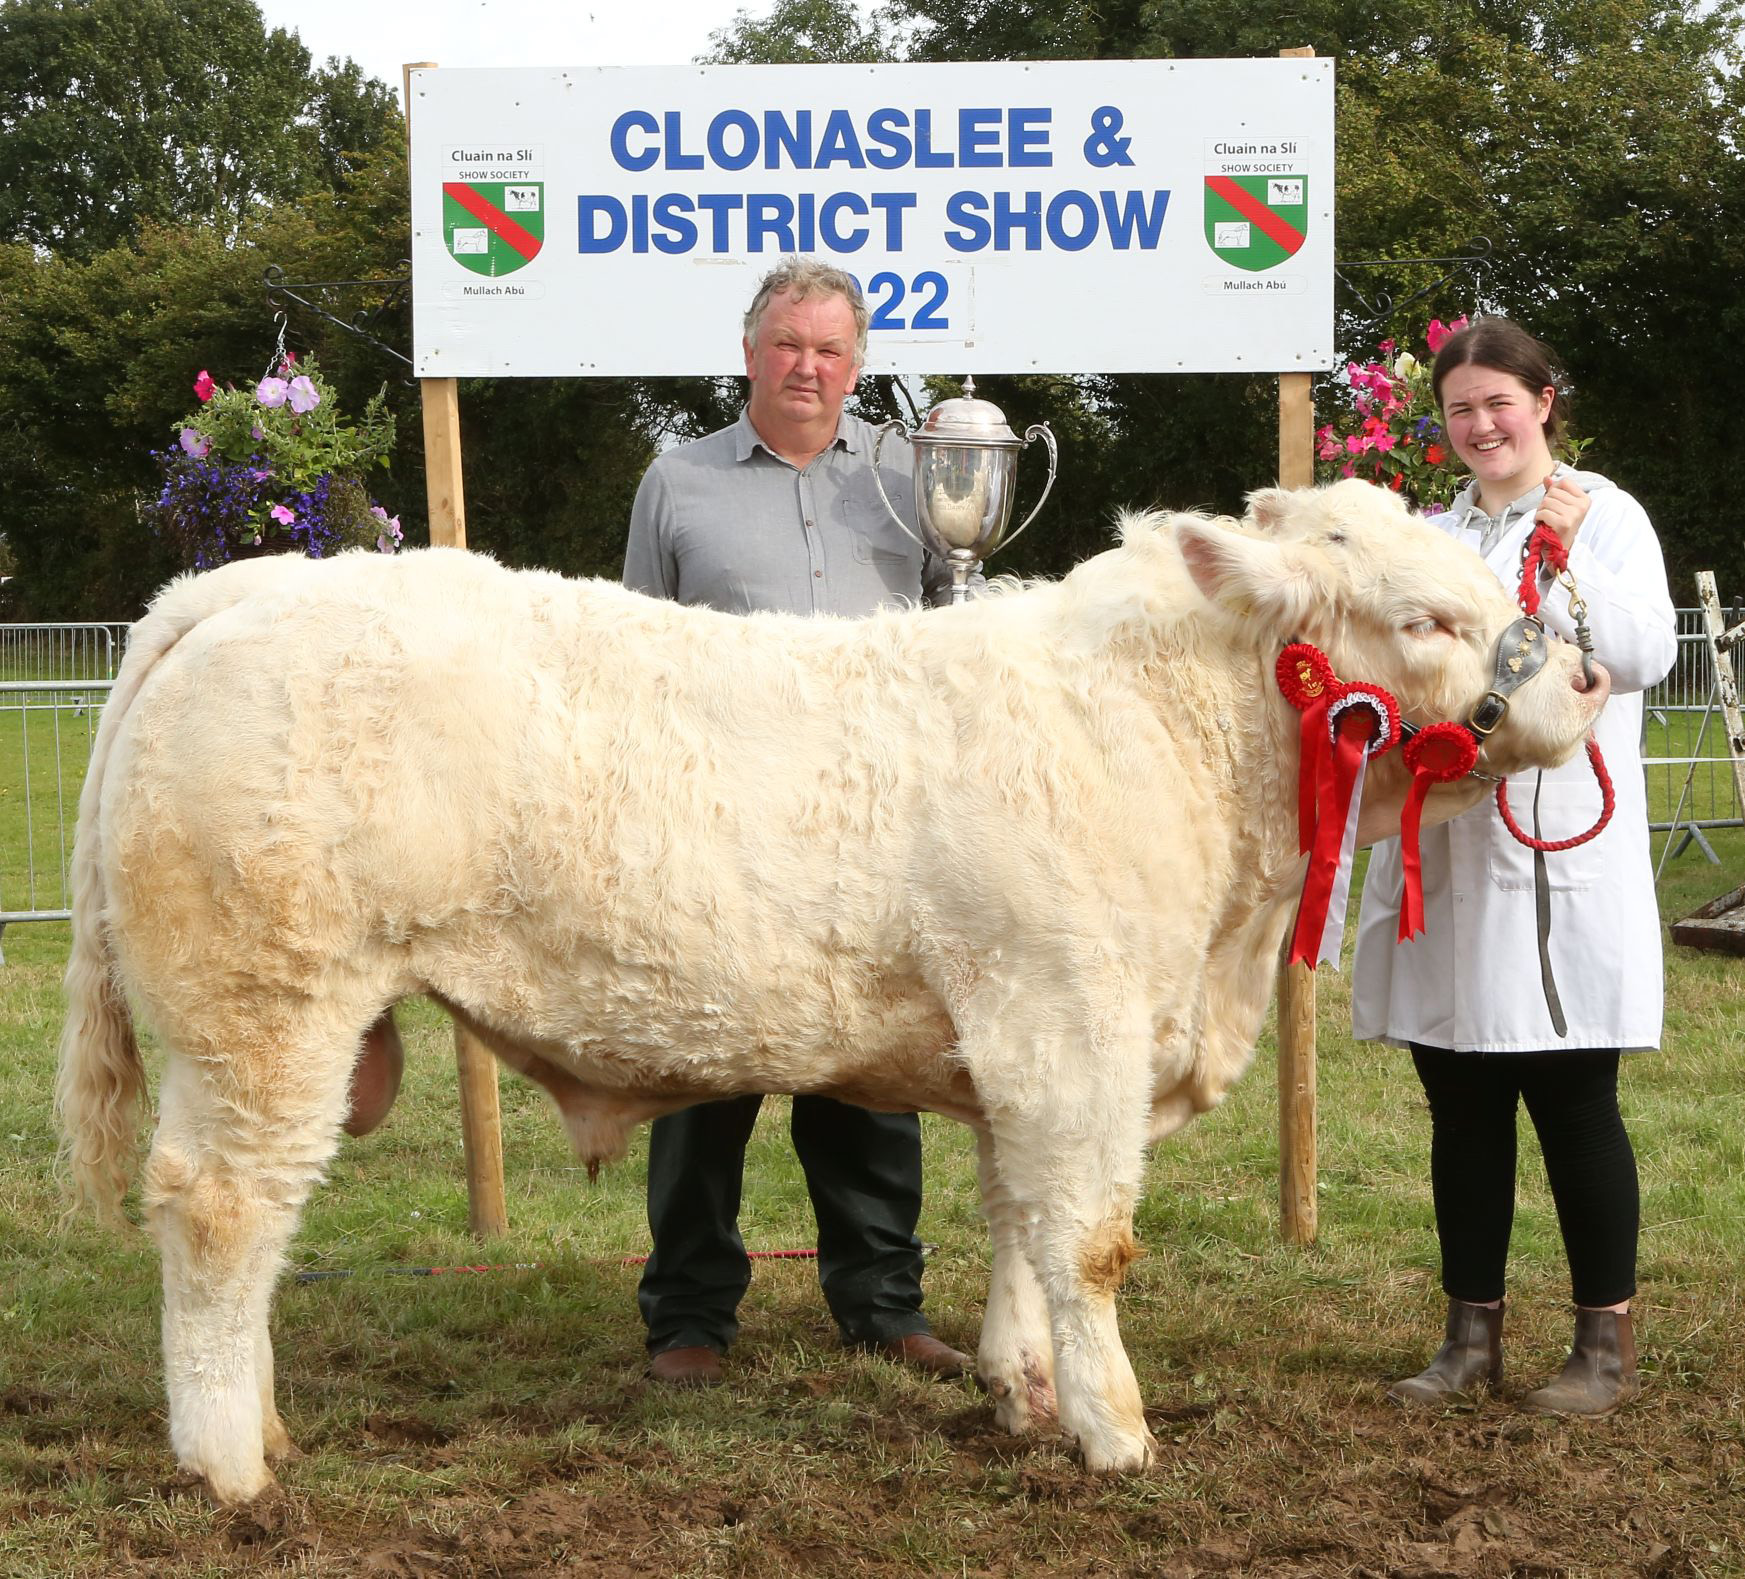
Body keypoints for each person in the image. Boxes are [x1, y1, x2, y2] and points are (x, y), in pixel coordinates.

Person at [621, 256, 973, 1388]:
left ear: (858, 363)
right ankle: (686, 1319)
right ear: (748, 352)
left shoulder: (911, 476)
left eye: (828, 349)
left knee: (868, 1079)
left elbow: (950, 635)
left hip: (873, 836)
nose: (806, 366)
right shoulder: (675, 483)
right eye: (787, 343)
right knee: (700, 1076)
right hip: (718, 830)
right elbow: (636, 658)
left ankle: (883, 1303)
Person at [1351, 317, 1676, 1416]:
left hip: (1555, 847)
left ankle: (1601, 1348)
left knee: (1572, 1097)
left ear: (1543, 400)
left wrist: (1570, 554)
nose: (1480, 423)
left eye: (1498, 400)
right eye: (1458, 408)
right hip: (1447, 841)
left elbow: (1639, 654)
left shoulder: (1603, 514)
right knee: (1460, 1096)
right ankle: (1467, 1339)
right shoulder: (1433, 537)